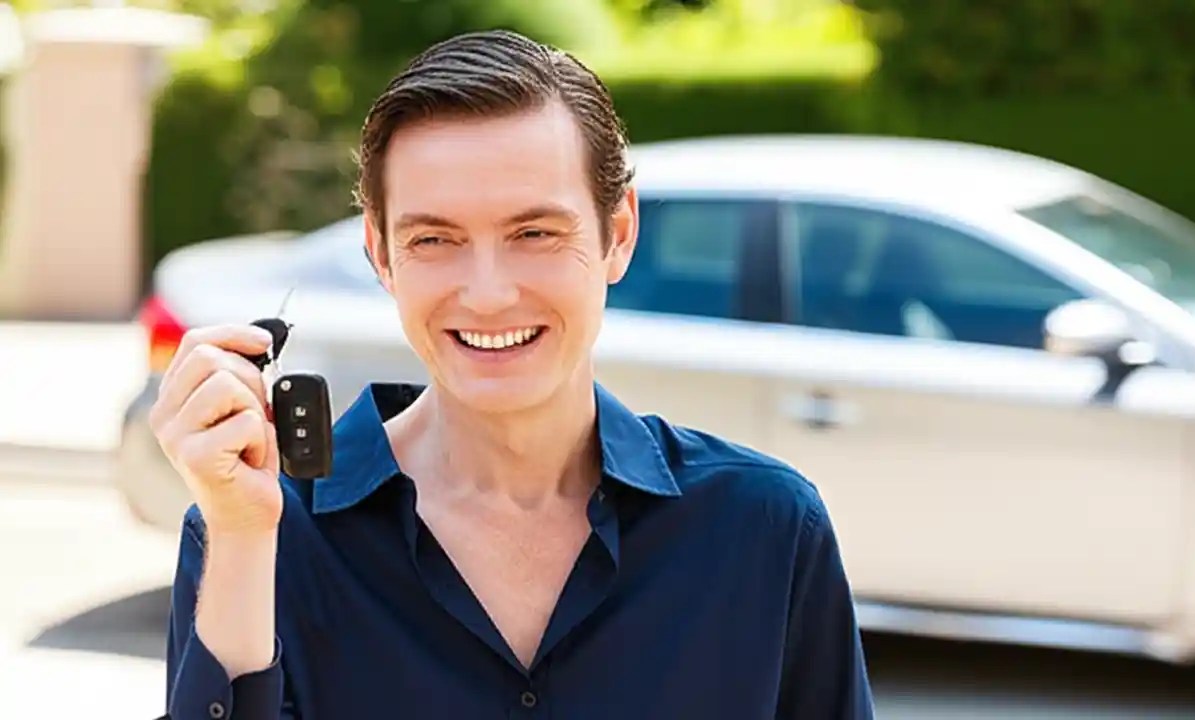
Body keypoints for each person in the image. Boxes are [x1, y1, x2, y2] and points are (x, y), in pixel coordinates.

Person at [153, 29, 875, 719]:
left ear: (617, 233)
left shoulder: (765, 530)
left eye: (534, 234)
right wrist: (246, 540)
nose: (489, 292)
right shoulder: (251, 535)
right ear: (380, 253)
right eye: (435, 238)